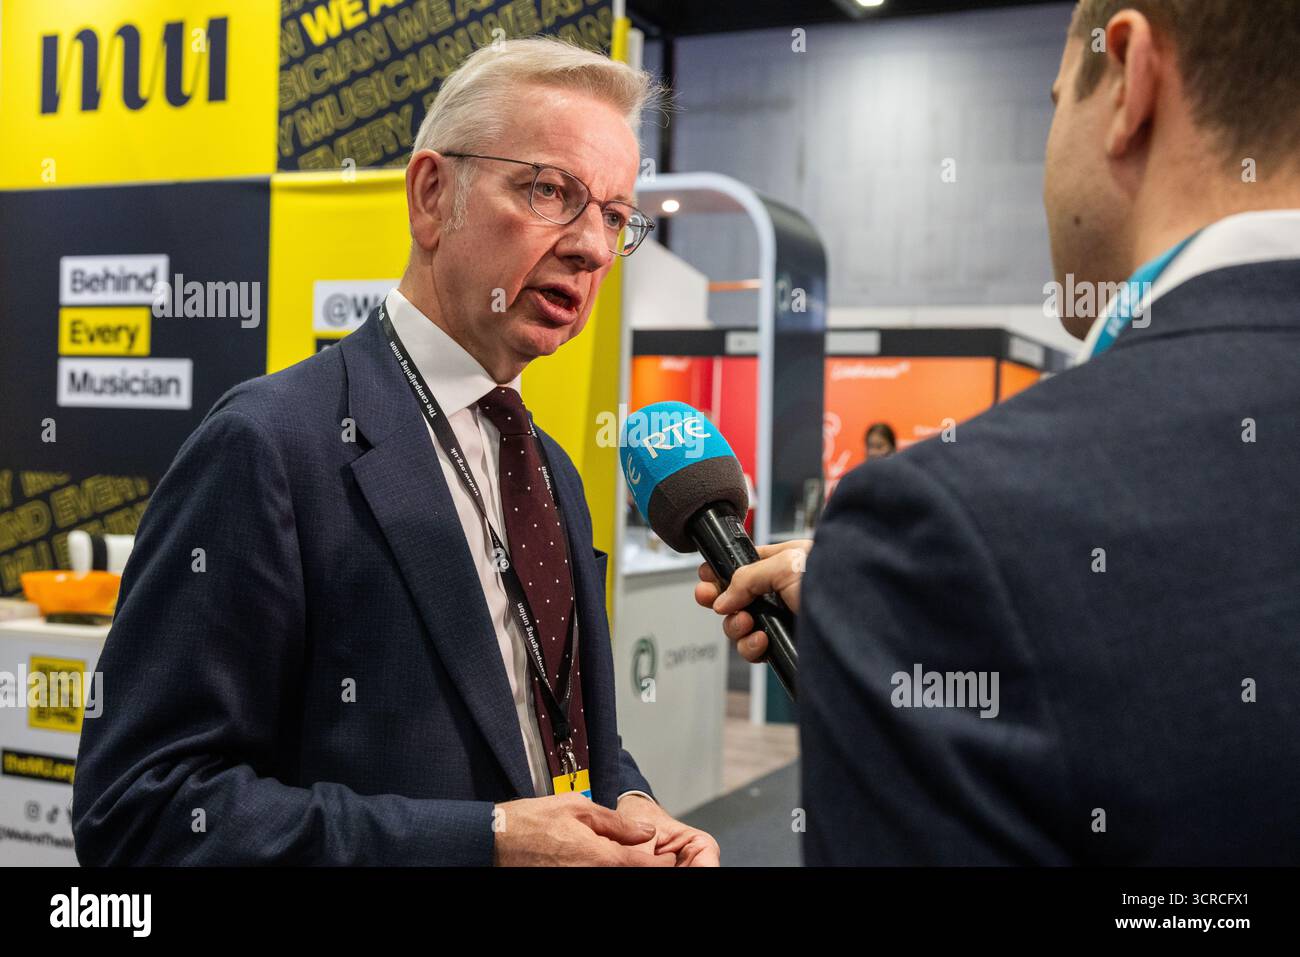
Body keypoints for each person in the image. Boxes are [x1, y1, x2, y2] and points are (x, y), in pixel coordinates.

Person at [73, 37, 719, 867]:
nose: (593, 246)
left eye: (616, 216)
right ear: (431, 194)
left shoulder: (552, 469)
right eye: (552, 191)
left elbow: (555, 725)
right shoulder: (268, 446)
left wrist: (631, 807)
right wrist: (481, 841)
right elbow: (142, 810)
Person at [697, 0, 1300, 864]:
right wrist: (877, 605)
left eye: (1056, 103)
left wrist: (913, 590)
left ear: (1128, 78)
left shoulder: (945, 519)